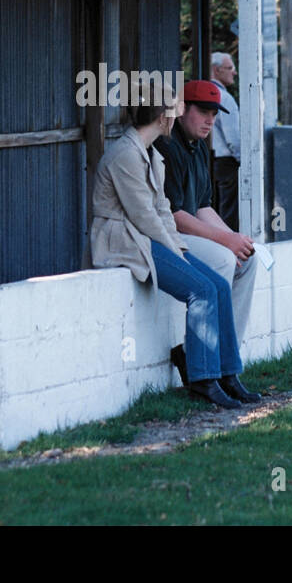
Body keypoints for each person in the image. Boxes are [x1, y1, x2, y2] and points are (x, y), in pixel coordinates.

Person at [88, 85, 259, 408]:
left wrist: (177, 247)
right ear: (162, 115)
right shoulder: (126, 154)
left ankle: (228, 373)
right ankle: (202, 379)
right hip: (125, 241)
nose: (178, 114)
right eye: (175, 109)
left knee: (218, 287)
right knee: (202, 291)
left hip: (146, 238)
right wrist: (177, 251)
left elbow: (163, 210)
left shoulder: (150, 152)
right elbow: (144, 217)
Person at [155, 79, 260, 379]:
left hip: (189, 232)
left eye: (215, 113)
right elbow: (173, 214)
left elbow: (202, 206)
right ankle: (200, 353)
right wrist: (225, 240)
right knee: (223, 257)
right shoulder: (167, 143)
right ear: (183, 108)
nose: (210, 120)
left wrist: (235, 238)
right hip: (166, 235)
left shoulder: (200, 146)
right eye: (203, 111)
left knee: (247, 259)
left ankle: (228, 356)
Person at [209, 51, 241, 231]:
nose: (234, 72)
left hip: (210, 159)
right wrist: (243, 161)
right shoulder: (224, 98)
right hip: (227, 162)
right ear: (216, 70)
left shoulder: (207, 95)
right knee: (229, 213)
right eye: (230, 68)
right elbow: (233, 138)